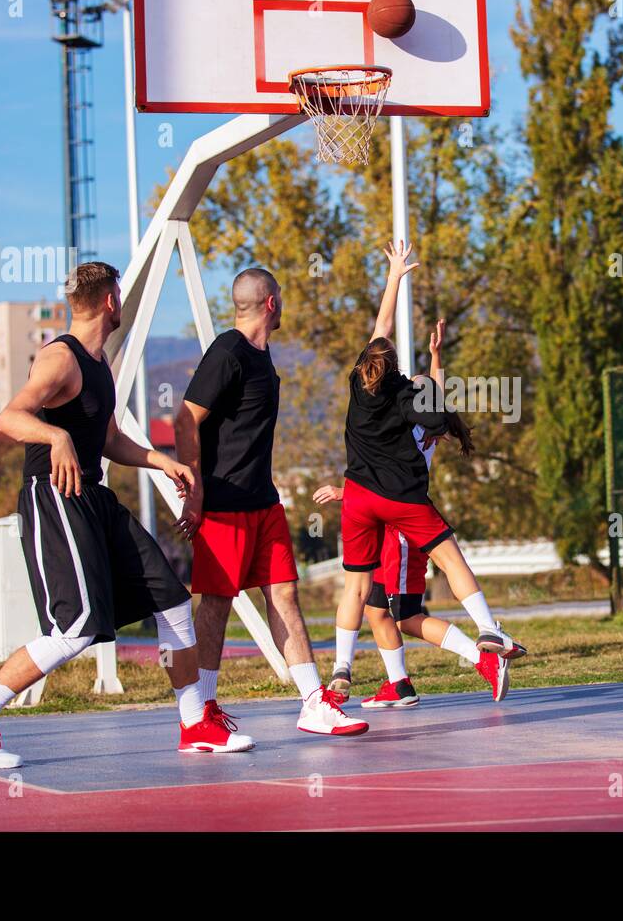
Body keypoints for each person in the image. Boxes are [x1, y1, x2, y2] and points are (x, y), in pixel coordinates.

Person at [0, 261, 250, 769]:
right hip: (55, 497)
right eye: (120, 296)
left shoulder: (99, 362)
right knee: (75, 629)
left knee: (170, 599)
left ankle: (196, 724)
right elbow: (10, 417)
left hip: (93, 497)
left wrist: (159, 460)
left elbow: (107, 440)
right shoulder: (60, 358)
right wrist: (55, 435)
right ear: (111, 301)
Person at [327, 241, 526, 710]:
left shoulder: (361, 387)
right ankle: (487, 633)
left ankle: (342, 670)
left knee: (378, 604)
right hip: (400, 502)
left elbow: (382, 329)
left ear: (364, 367)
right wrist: (434, 367)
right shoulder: (409, 402)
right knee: (436, 574)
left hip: (364, 501)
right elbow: (433, 405)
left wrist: (394, 276)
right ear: (400, 373)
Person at [174, 268, 368, 738]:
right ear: (271, 303)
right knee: (217, 604)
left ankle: (312, 703)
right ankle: (201, 713)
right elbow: (184, 419)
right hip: (223, 503)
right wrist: (194, 487)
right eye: (281, 297)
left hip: (263, 501)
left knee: (284, 593)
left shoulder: (262, 356)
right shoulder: (228, 350)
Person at [313, 414, 525, 705]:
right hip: (380, 523)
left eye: (415, 386)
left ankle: (482, 658)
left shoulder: (414, 425)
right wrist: (436, 366)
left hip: (400, 528)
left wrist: (344, 491)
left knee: (406, 616)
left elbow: (386, 480)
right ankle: (399, 684)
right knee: (376, 611)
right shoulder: (416, 420)